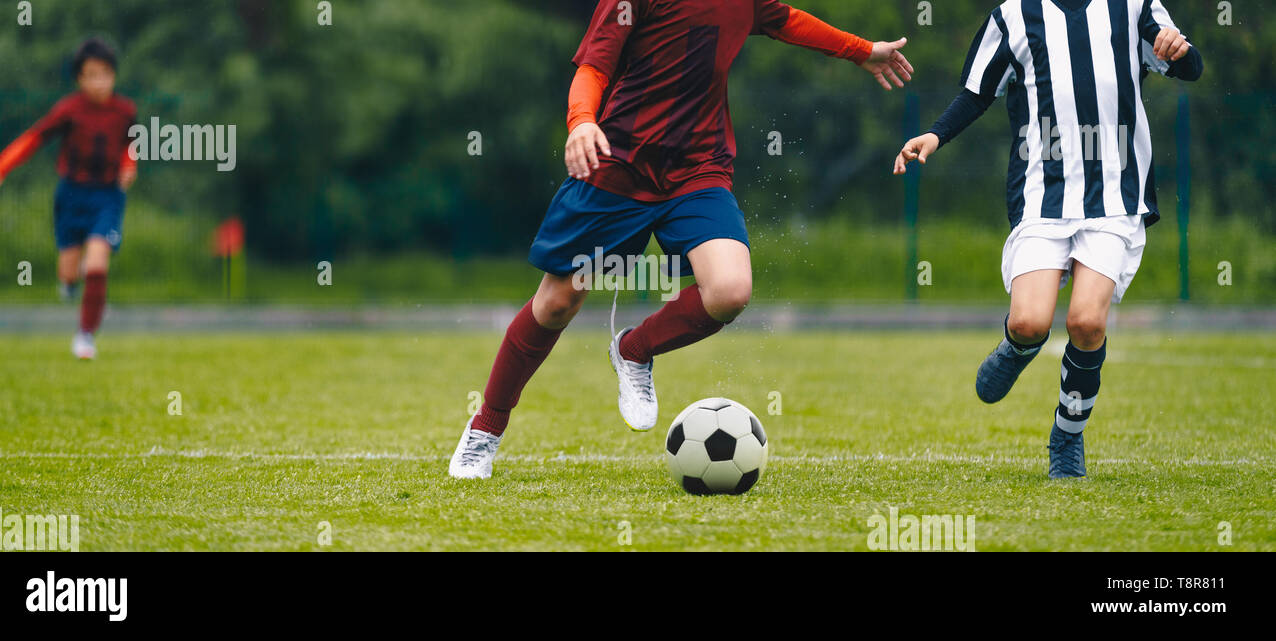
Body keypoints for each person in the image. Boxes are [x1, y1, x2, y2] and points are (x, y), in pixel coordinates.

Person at [450, 0, 914, 479]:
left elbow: (786, 20)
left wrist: (861, 50)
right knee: (556, 304)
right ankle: (485, 430)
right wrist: (582, 121)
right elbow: (594, 67)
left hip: (698, 169)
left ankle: (634, 349)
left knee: (730, 291)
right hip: (617, 164)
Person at [893, 0, 1203, 478]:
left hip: (1115, 196)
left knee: (1084, 322)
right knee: (1029, 322)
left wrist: (1180, 51)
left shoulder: (1133, 6)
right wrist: (934, 135)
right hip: (1043, 195)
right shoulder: (1013, 16)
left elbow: (1189, 67)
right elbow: (977, 93)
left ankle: (1067, 435)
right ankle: (1017, 347)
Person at [0, 37, 138, 360]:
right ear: (79, 79)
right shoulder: (68, 110)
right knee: (69, 271)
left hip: (107, 196)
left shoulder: (125, 111)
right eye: (91, 75)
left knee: (97, 259)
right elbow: (34, 138)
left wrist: (129, 165)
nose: (98, 82)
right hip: (71, 196)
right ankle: (68, 282)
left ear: (114, 76)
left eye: (104, 74)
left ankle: (85, 336)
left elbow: (134, 144)